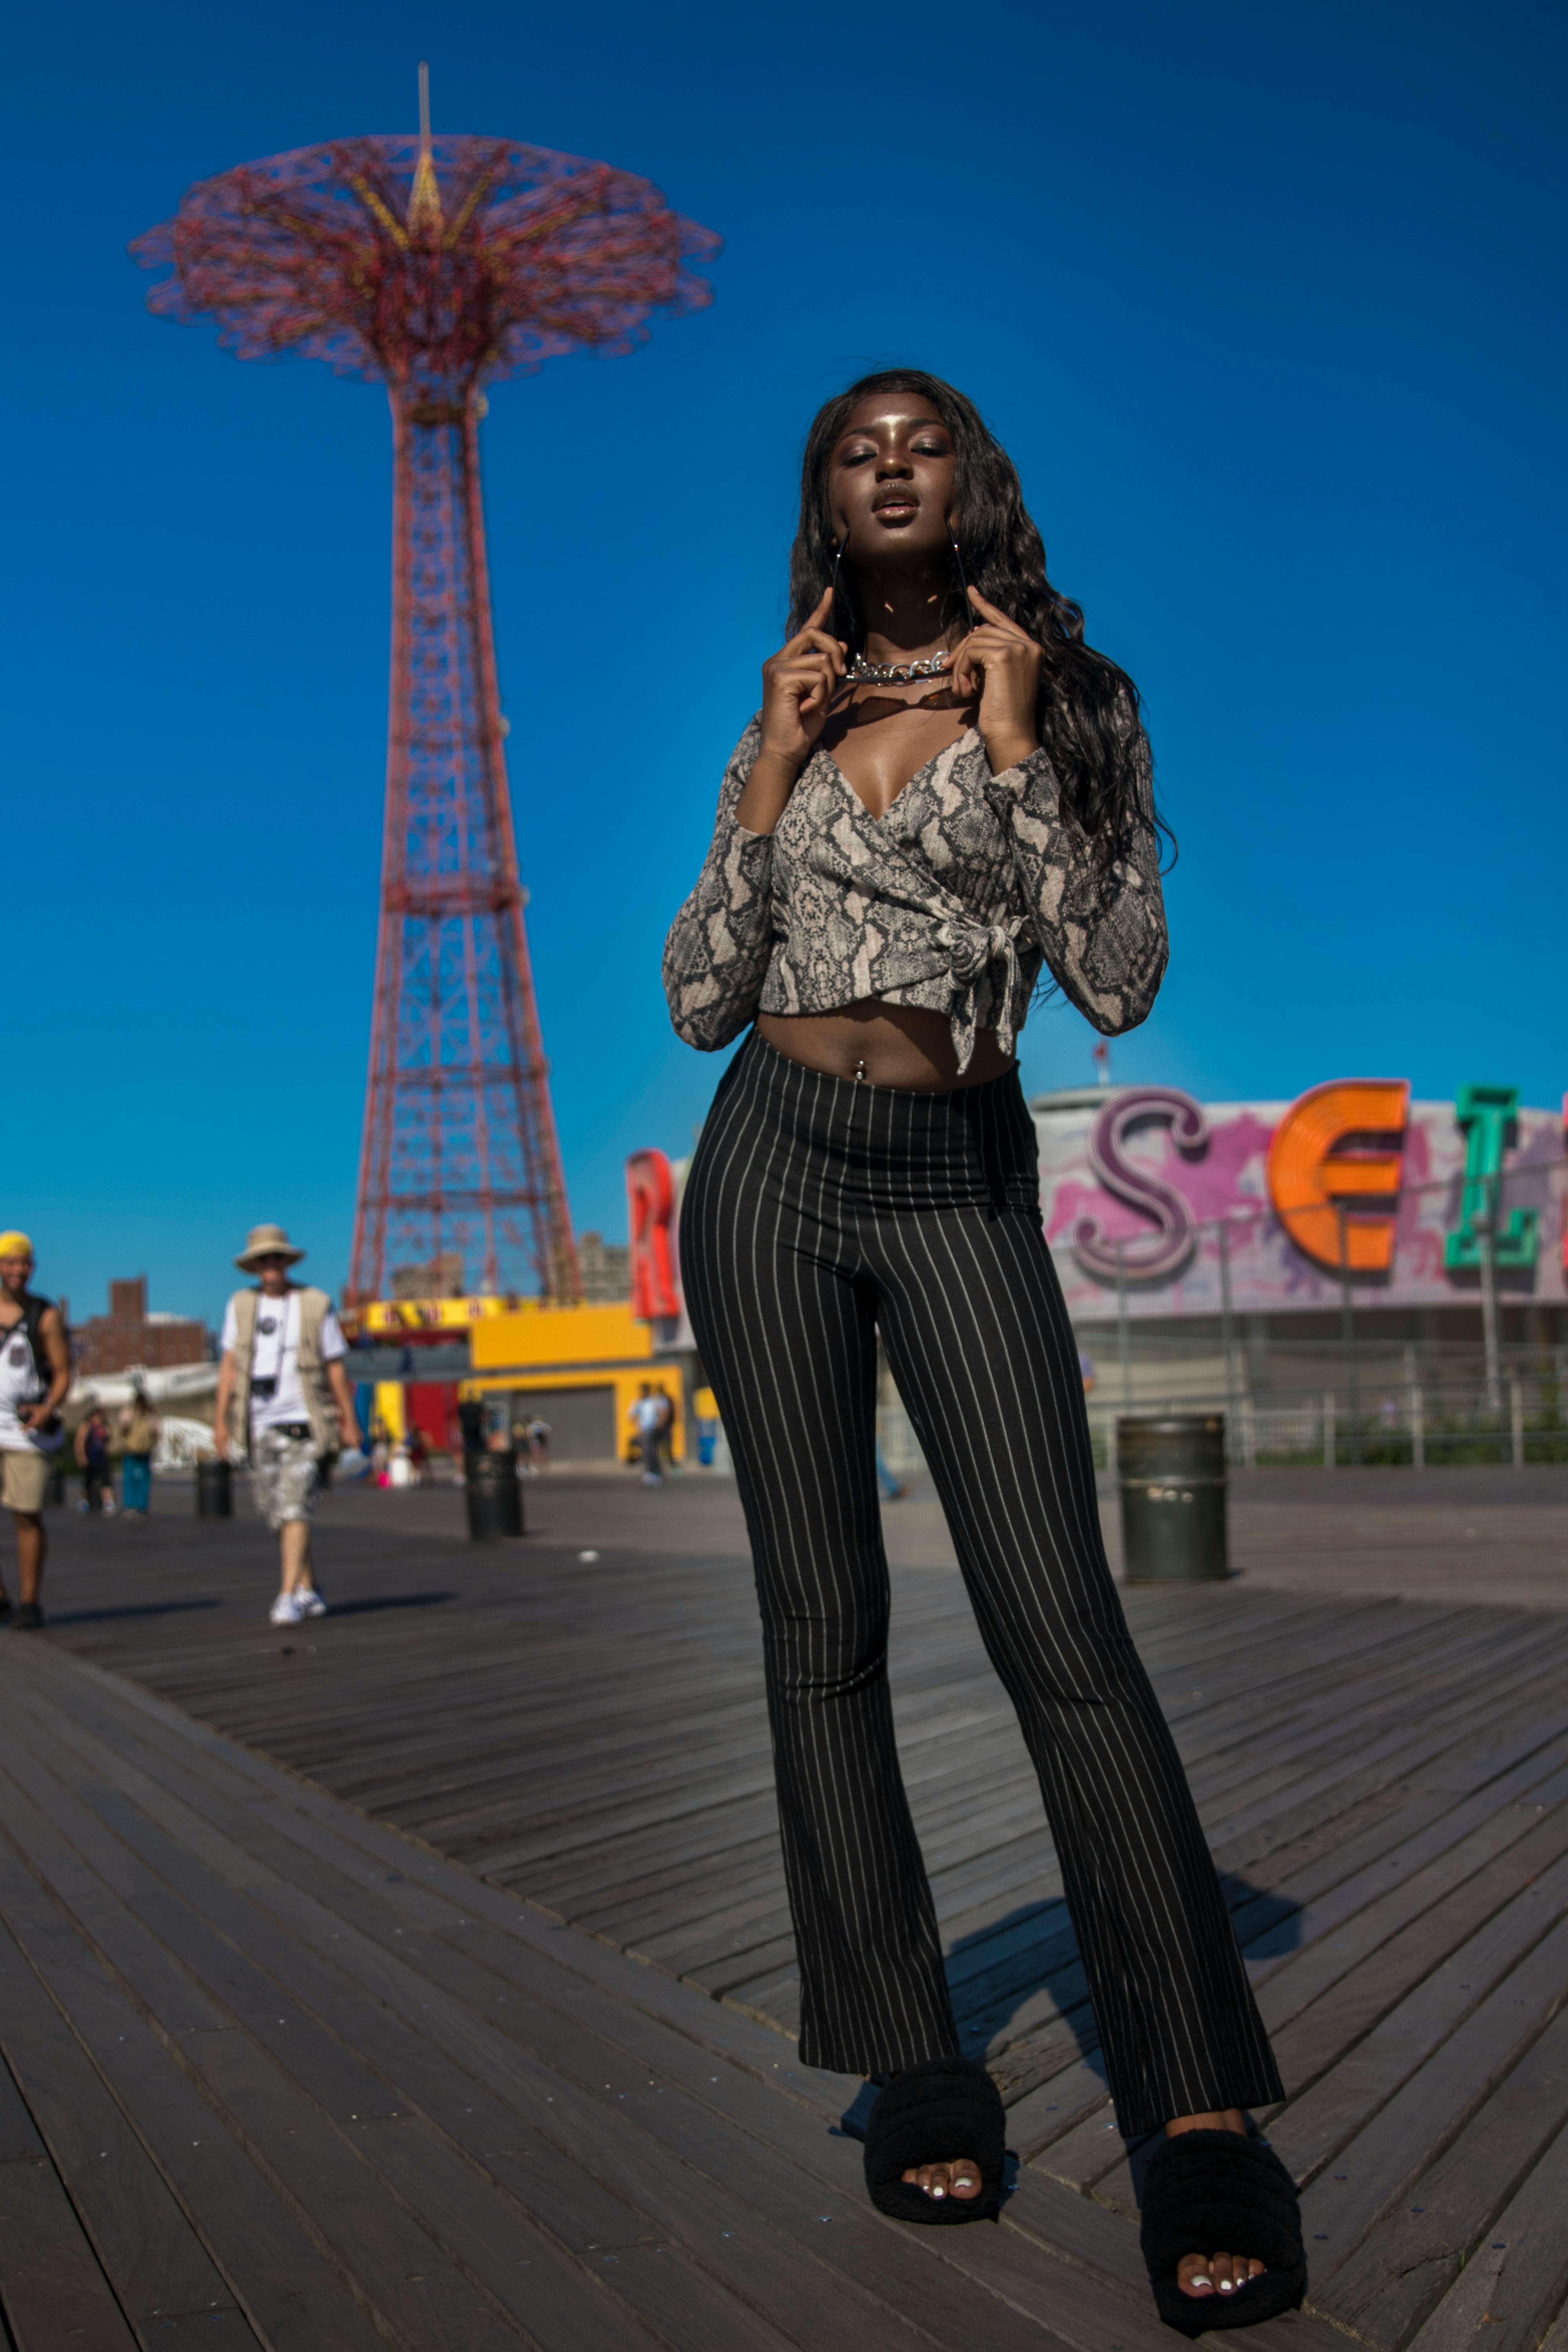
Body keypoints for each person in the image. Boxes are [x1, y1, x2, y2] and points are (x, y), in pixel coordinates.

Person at [662, 371, 1301, 2329]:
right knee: (816, 1627)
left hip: (953, 1177)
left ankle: (1193, 2110)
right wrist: (762, 785)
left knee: (1062, 1633)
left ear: (971, 480)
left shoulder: (1069, 699)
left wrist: (1014, 747)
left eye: (917, 436)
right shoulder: (787, 701)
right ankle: (908, 2052)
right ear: (820, 497)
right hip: (765, 1162)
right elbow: (697, 993)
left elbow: (1111, 974)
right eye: (847, 445)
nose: (881, 460)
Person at [212, 1224, 363, 1627]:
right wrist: (221, 1424)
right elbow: (228, 1367)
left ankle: (285, 1597)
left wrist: (349, 1419)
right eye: (264, 1259)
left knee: (296, 1505)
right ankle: (309, 1587)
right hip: (258, 1421)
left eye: (277, 1257)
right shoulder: (241, 1305)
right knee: (277, 1512)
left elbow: (335, 1365)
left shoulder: (314, 1303)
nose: (271, 1265)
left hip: (305, 1420)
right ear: (254, 1267)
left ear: (287, 1261)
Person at [0, 1233, 70, 1629]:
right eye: (10, 1262)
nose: (17, 1270)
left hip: (24, 1431)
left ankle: (29, 1601)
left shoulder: (45, 1315)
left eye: (24, 1263)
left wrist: (49, 1408)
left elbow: (62, 1373)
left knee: (27, 1514)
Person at [118, 1383, 160, 1516]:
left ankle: (131, 1504)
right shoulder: (150, 1414)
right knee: (145, 1478)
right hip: (145, 1450)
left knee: (130, 1478)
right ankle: (142, 1505)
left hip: (131, 1449)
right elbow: (156, 1432)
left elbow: (123, 1428)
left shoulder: (129, 1412)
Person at [76, 1408, 117, 1514]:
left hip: (102, 1458)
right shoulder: (86, 1426)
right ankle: (83, 1502)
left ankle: (108, 1503)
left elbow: (110, 1440)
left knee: (106, 1481)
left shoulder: (104, 1427)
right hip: (90, 1457)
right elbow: (80, 1442)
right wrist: (82, 1456)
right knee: (87, 1482)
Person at [627, 1383, 664, 1484]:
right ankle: (650, 1472)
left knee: (652, 1452)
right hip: (644, 1431)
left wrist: (660, 1422)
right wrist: (638, 1424)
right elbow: (632, 1415)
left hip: (654, 1431)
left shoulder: (653, 1401)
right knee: (647, 1452)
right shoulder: (638, 1402)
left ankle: (655, 1472)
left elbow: (661, 1412)